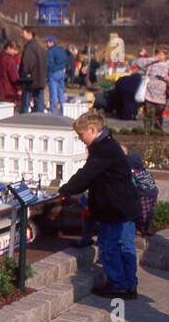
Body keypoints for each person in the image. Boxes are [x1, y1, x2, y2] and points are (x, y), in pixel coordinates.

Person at [59, 111, 138, 300]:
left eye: (81, 135)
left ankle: (118, 285)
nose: (80, 139)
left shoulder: (103, 149)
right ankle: (129, 285)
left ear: (92, 130)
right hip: (125, 206)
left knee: (108, 246)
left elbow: (87, 174)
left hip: (114, 208)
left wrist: (66, 190)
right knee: (126, 246)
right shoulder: (109, 144)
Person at [128, 152, 159, 238]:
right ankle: (144, 229)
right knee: (149, 213)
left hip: (142, 194)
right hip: (154, 193)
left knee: (142, 214)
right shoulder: (146, 172)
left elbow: (131, 184)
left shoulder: (132, 172)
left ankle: (141, 230)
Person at [18, 27, 47, 113]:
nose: (21, 35)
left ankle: (24, 121)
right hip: (40, 78)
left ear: (30, 33)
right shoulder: (41, 48)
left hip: (30, 80)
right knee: (39, 103)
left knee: (26, 104)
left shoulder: (29, 47)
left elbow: (26, 63)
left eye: (23, 33)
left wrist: (23, 73)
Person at [142, 48, 168, 131]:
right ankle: (147, 133)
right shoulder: (151, 64)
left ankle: (158, 134)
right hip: (149, 95)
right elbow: (138, 63)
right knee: (148, 116)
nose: (158, 56)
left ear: (166, 55)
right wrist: (153, 59)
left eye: (160, 54)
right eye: (157, 54)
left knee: (158, 117)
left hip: (161, 97)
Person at [0, 39, 20, 105]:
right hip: (8, 91)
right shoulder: (10, 60)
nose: (16, 52)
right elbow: (14, 77)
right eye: (14, 50)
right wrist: (19, 88)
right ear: (9, 48)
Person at [44, 36, 68, 113]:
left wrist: (47, 75)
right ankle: (64, 110)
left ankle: (54, 111)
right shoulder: (61, 50)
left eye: (47, 42)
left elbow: (49, 64)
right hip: (61, 72)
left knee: (53, 93)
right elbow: (66, 60)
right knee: (61, 92)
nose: (46, 44)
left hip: (54, 73)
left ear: (52, 42)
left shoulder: (50, 51)